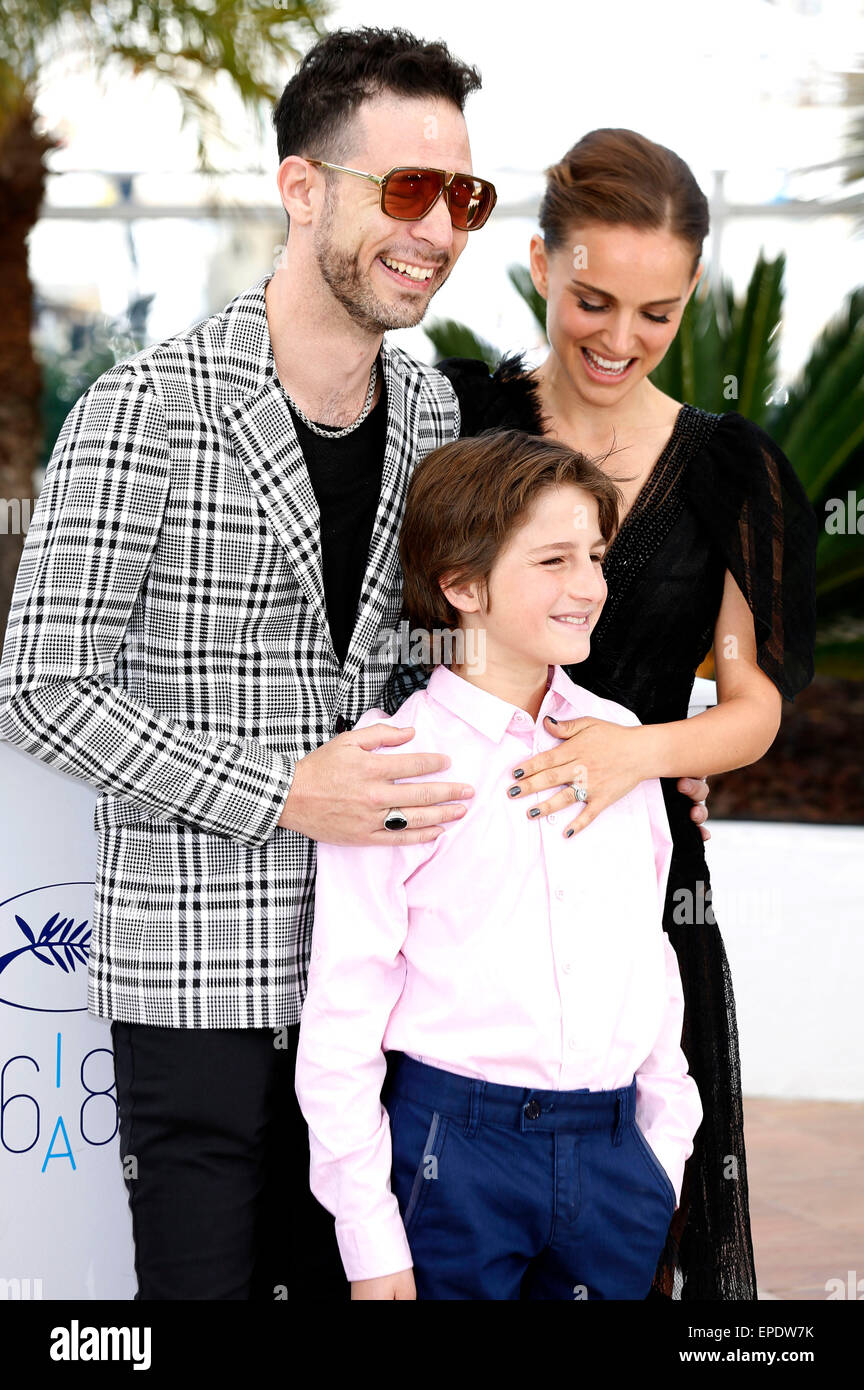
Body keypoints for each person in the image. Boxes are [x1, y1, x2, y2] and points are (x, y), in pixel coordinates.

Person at [0, 26, 500, 1301]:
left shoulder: (435, 408)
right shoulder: (146, 409)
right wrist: (286, 789)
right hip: (197, 970)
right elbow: (41, 688)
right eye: (407, 190)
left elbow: (440, 644)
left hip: (386, 972)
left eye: (465, 197)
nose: (439, 230)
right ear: (302, 189)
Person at [380, 127, 818, 1300]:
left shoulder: (733, 470)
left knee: (638, 1252)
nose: (620, 339)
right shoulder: (452, 414)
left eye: (659, 313)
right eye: (593, 299)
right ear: (538, 264)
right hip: (459, 891)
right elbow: (391, 629)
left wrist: (646, 755)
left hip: (639, 891)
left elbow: (754, 702)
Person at [295, 428, 704, 1300]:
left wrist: (661, 1150)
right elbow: (344, 1003)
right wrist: (371, 1243)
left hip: (615, 1157)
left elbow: (649, 949)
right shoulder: (395, 759)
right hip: (453, 1154)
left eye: (595, 555)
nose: (589, 585)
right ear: (462, 585)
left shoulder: (623, 741)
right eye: (553, 560)